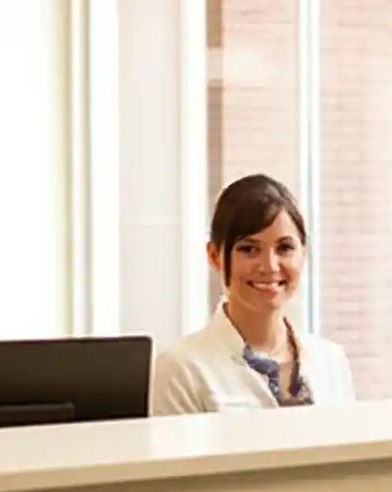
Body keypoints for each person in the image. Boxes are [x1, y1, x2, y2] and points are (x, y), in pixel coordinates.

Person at [150, 174, 356, 414]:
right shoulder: (181, 369)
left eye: (284, 248)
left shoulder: (331, 361)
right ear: (215, 256)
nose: (269, 266)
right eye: (249, 249)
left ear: (303, 253)